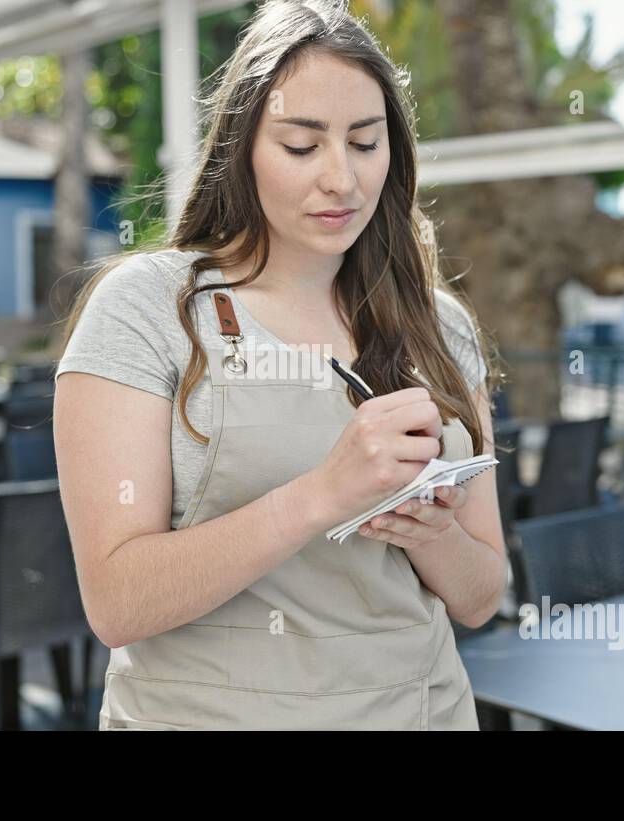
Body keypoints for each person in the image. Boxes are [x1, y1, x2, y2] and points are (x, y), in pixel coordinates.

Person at [53, 0, 506, 730]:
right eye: (302, 147)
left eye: (365, 143)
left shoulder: (438, 324)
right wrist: (322, 495)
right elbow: (117, 602)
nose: (343, 181)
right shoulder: (146, 310)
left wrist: (431, 532)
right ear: (241, 149)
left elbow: (482, 595)